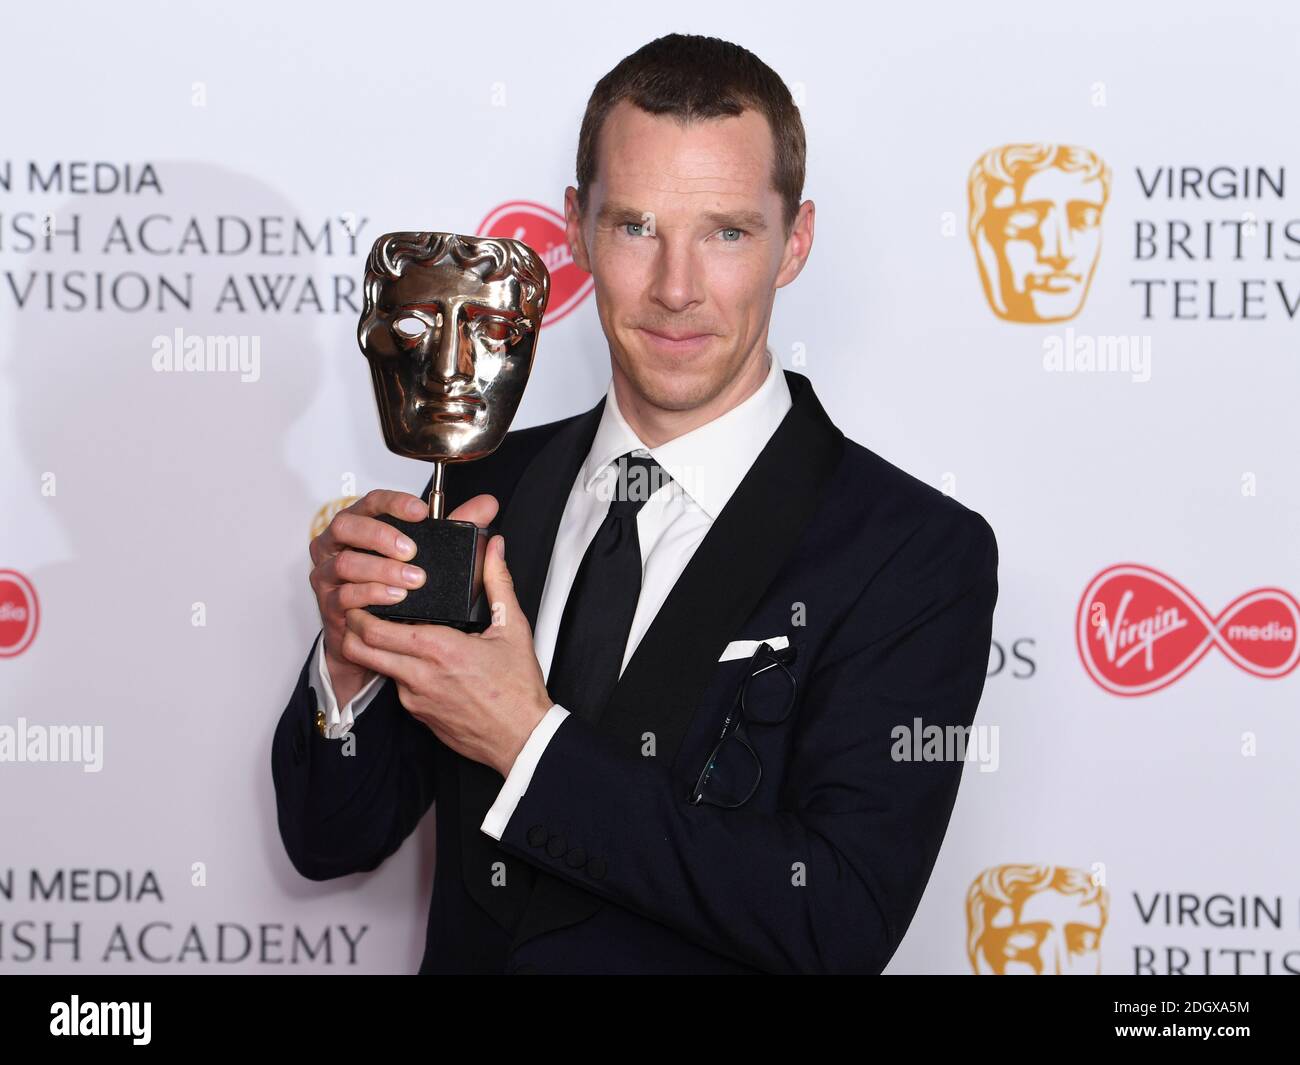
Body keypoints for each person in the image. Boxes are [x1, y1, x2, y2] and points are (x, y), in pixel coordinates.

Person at [271, 32, 998, 974]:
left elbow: (838, 918)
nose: (676, 290)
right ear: (575, 229)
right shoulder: (487, 489)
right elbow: (331, 841)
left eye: (727, 233)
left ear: (796, 241)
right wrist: (351, 658)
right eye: (636, 227)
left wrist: (528, 742)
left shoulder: (913, 553)